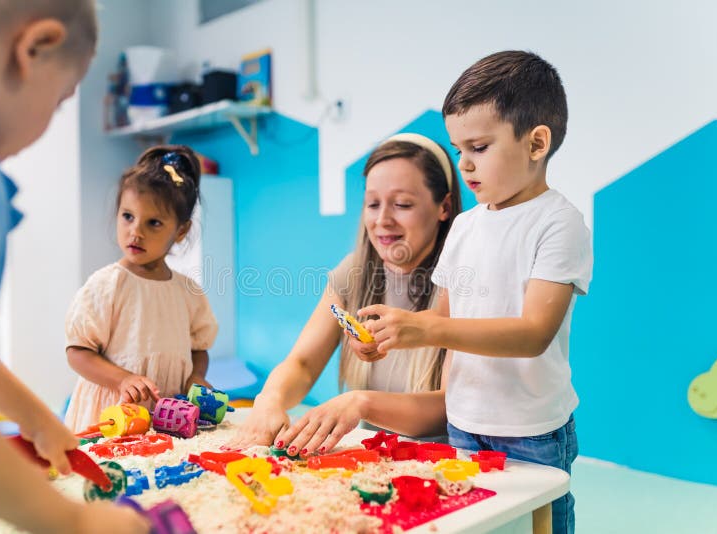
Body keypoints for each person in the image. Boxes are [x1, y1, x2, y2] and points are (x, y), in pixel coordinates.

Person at [358, 51, 592, 534]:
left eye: (479, 147)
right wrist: (388, 336)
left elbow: (532, 334)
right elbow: (446, 323)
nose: (463, 164)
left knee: (539, 524)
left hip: (533, 429)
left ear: (537, 143)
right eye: (457, 148)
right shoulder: (464, 226)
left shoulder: (559, 223)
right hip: (463, 420)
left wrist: (421, 325)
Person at [0, 1, 149, 532]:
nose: (44, 127)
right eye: (58, 103)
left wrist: (36, 420)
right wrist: (71, 523)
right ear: (34, 48)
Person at [227, 133, 461, 456]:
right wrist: (269, 399)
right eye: (372, 204)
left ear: (444, 207)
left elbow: (448, 409)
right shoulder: (353, 273)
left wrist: (360, 403)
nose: (382, 221)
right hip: (375, 460)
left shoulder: (461, 283)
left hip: (441, 463)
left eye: (403, 204)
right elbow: (303, 364)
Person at [64, 145, 218, 433]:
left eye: (154, 223)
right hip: (112, 417)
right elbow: (77, 352)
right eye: (127, 216)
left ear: (181, 231)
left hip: (167, 416)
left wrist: (196, 376)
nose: (136, 231)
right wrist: (122, 379)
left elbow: (199, 348)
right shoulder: (107, 285)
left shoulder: (188, 292)